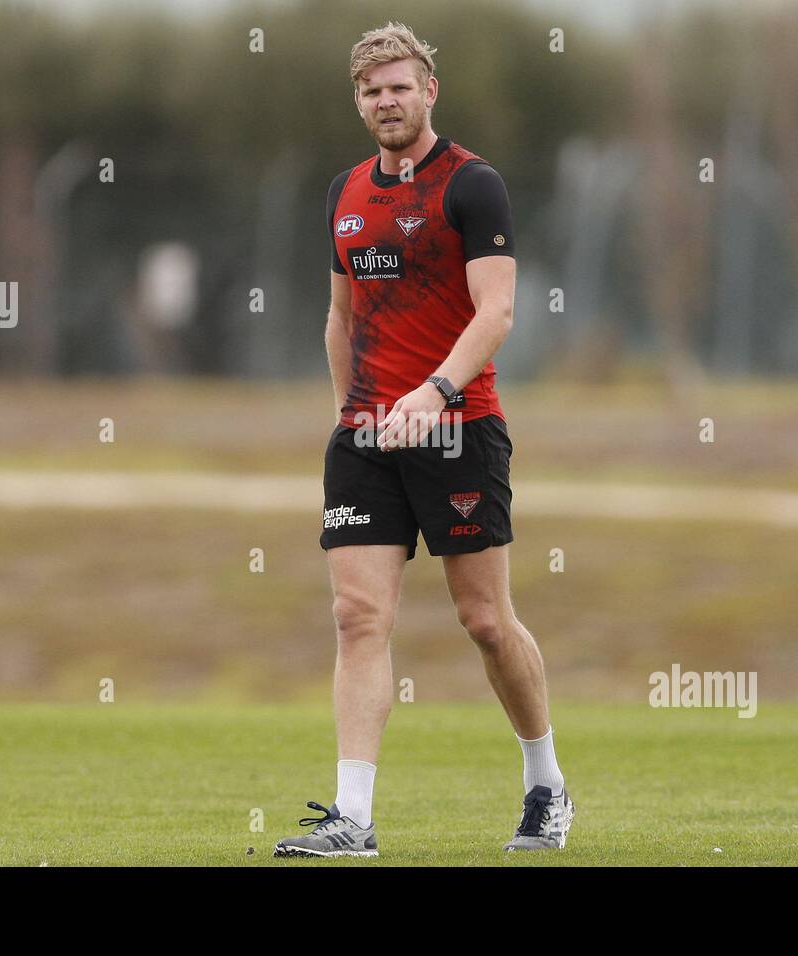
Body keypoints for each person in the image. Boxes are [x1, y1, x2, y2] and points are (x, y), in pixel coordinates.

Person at [274, 21, 571, 858]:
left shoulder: (473, 186)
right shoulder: (344, 194)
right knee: (356, 617)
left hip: (460, 431)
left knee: (484, 620)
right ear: (358, 101)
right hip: (367, 439)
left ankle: (545, 785)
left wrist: (436, 394)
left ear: (429, 89)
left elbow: (498, 312)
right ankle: (353, 820)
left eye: (400, 86)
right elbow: (337, 318)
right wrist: (352, 418)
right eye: (372, 90)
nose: (386, 101)